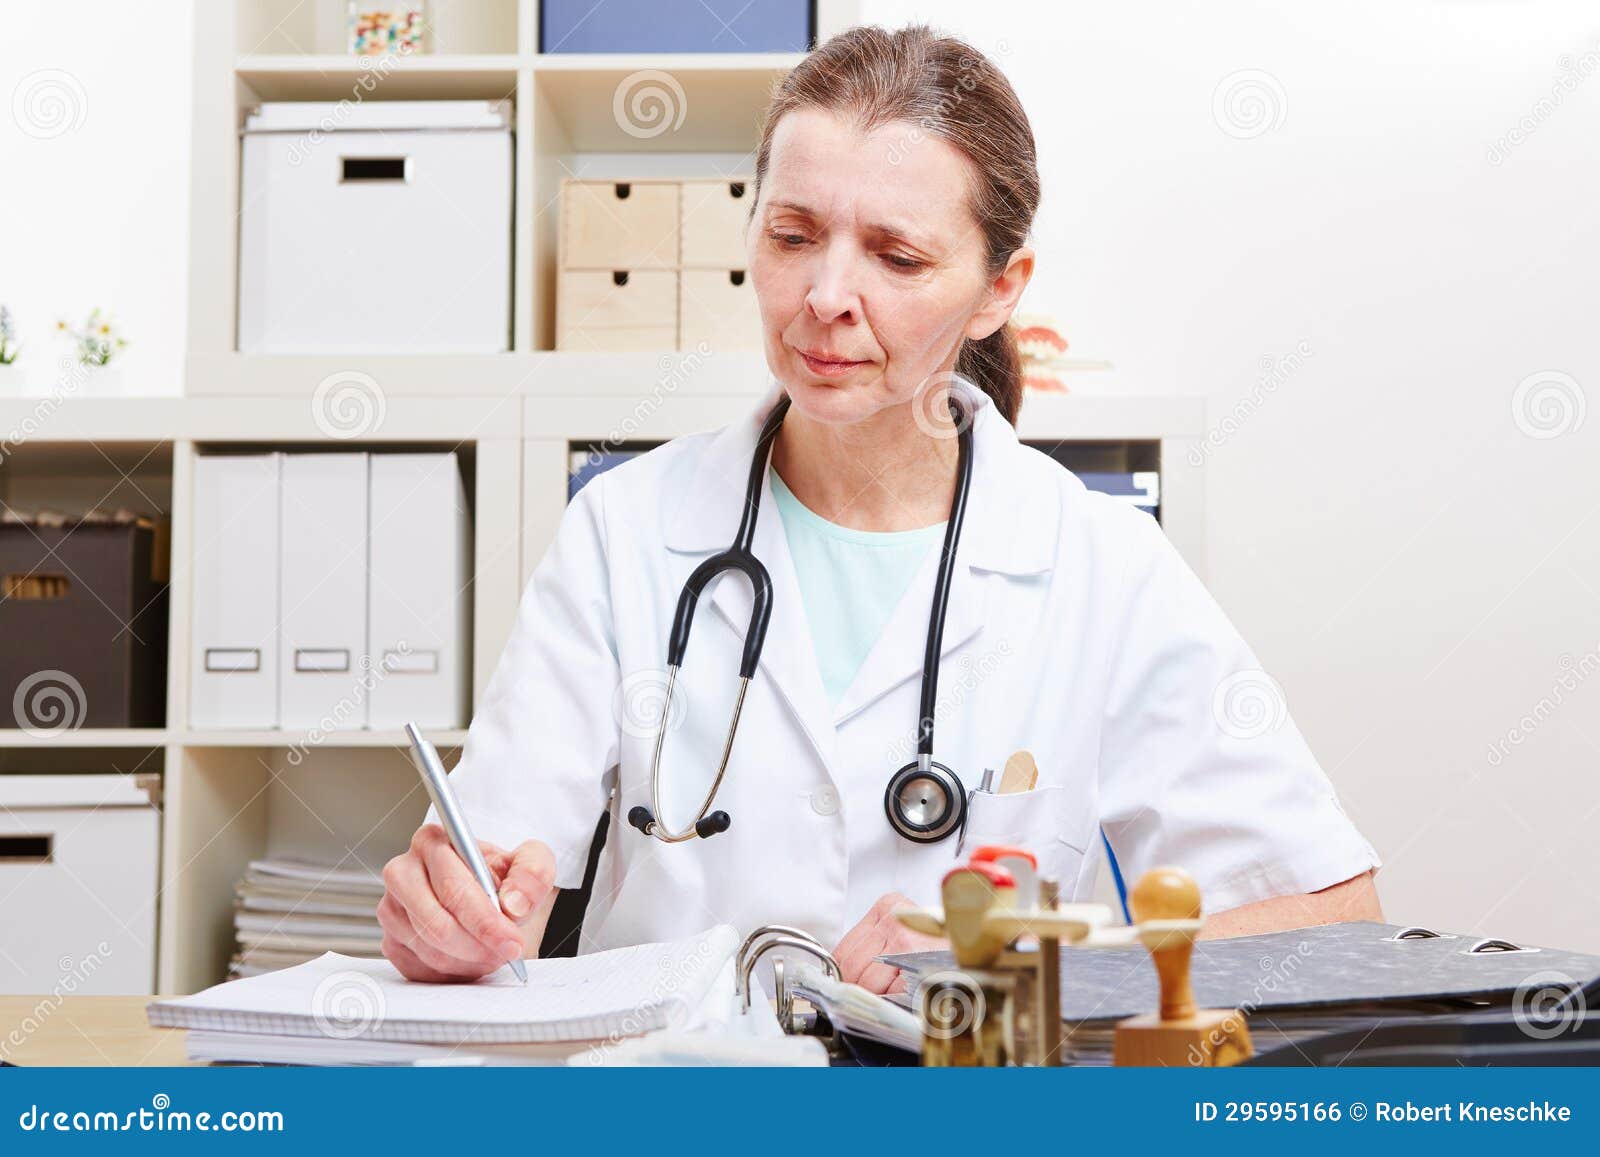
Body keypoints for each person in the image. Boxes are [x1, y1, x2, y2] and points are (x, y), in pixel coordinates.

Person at [379, 25, 1382, 994]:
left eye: (897, 259)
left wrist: (1035, 960)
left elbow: (1333, 916)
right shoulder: (625, 530)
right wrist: (446, 916)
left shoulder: (1101, 566)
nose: (825, 295)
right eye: (792, 235)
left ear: (999, 289)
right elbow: (488, 873)